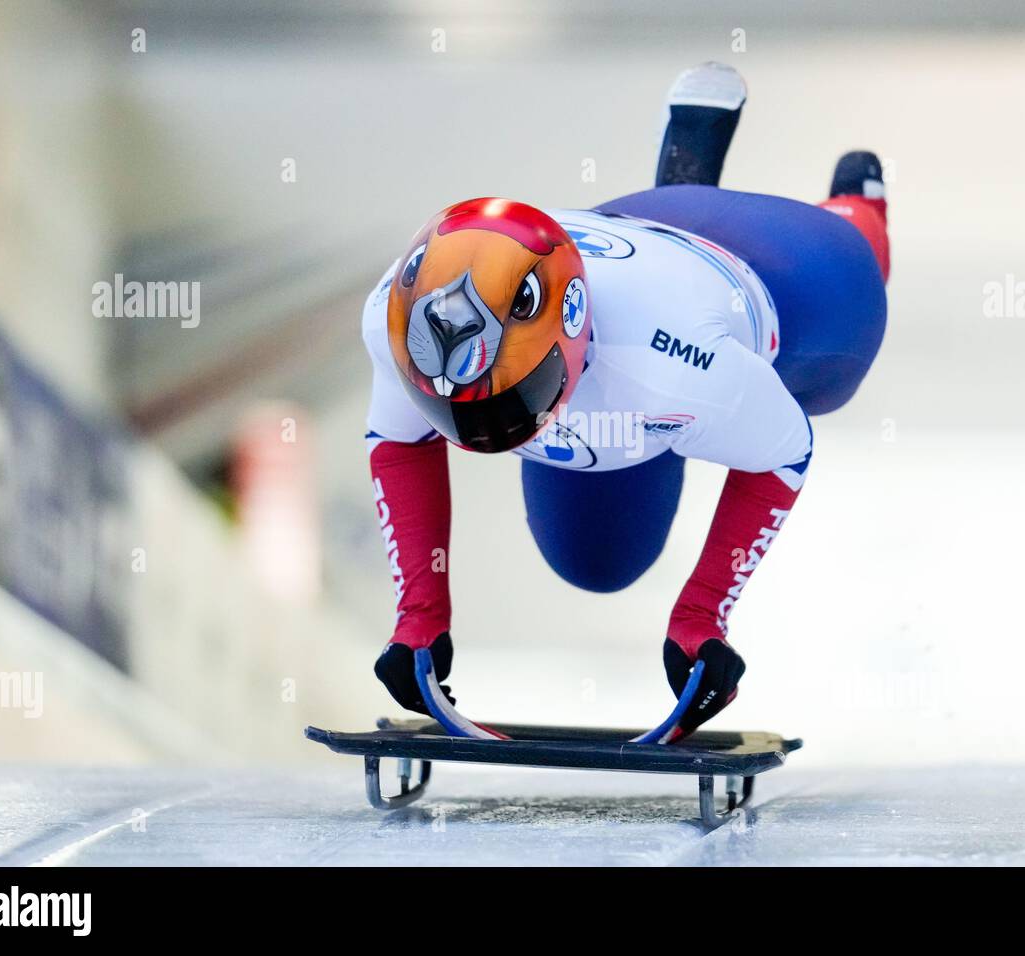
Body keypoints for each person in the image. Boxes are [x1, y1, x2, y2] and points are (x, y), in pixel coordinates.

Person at [362, 63, 890, 735]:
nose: (490, 430)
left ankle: (858, 210)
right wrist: (419, 617)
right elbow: (402, 444)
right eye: (464, 414)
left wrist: (702, 614)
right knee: (597, 563)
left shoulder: (676, 368)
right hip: (629, 246)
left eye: (509, 409)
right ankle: (682, 172)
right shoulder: (395, 320)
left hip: (788, 275)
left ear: (576, 331)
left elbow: (784, 453)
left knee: (853, 328)